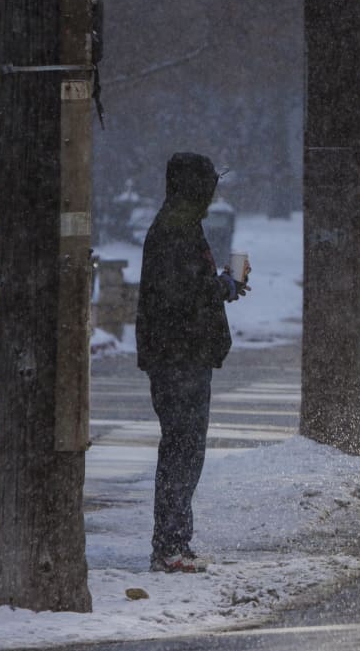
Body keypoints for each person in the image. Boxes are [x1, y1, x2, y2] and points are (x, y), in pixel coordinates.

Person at [136, 152, 248, 573]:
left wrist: (222, 286)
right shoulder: (176, 230)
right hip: (179, 356)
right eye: (207, 186)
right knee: (182, 451)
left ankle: (173, 541)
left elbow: (185, 290)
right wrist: (223, 285)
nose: (212, 195)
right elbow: (183, 296)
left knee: (183, 450)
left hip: (180, 354)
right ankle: (170, 546)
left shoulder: (177, 226)